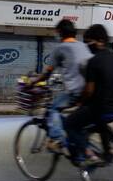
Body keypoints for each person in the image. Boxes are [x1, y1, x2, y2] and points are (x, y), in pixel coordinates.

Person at [65, 24, 113, 166]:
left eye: (88, 41)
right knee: (100, 122)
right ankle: (109, 151)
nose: (87, 45)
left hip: (100, 109)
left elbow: (89, 91)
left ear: (99, 40)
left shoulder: (93, 62)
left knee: (69, 123)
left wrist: (79, 102)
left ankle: (88, 152)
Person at [36, 19, 90, 153]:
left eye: (57, 33)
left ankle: (57, 139)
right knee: (76, 121)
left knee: (53, 108)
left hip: (74, 91)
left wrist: (33, 82)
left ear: (60, 33)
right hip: (89, 90)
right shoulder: (83, 46)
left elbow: (47, 74)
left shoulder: (60, 48)